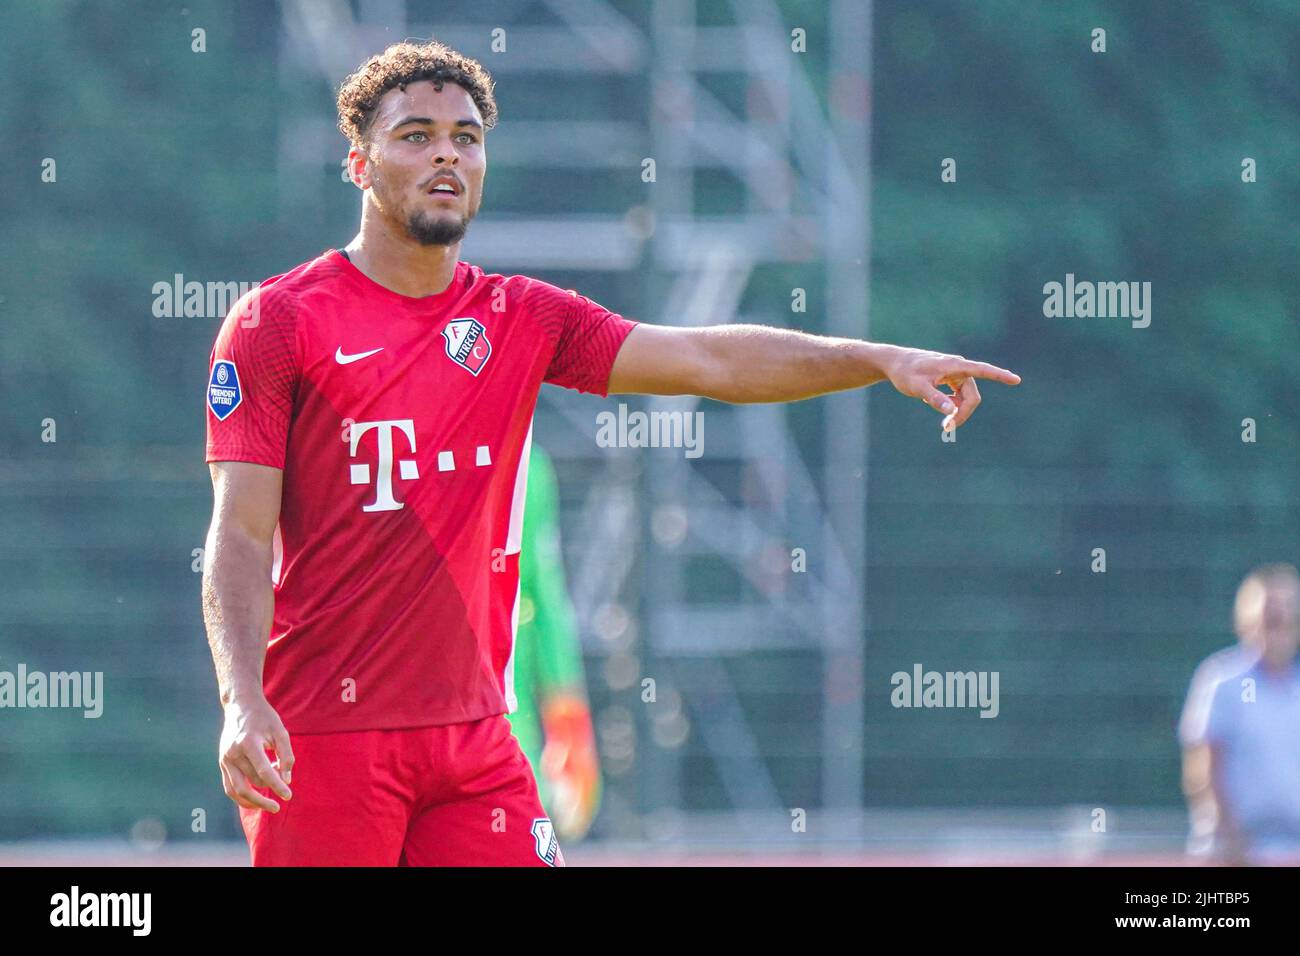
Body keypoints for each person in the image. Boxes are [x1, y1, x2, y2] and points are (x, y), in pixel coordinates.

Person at [202, 39, 1020, 866]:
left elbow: (708, 360)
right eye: (416, 135)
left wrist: (880, 359)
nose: (447, 154)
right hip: (326, 736)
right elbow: (238, 534)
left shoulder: (522, 317)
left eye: (466, 137)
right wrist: (240, 701)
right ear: (359, 163)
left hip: (477, 745)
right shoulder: (278, 322)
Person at [506, 443, 601, 841]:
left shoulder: (528, 462)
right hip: (497, 725)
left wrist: (569, 724)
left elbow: (544, 598)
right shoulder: (525, 460)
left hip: (500, 717)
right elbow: (545, 597)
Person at [1180, 564, 1300, 864]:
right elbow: (1201, 769)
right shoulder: (1222, 681)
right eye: (1270, 612)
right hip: (1235, 852)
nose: (1280, 618)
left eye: (1288, 610)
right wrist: (1233, 841)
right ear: (1246, 617)